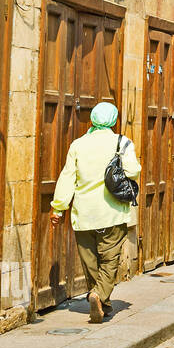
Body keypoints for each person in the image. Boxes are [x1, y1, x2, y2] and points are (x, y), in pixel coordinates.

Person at [48, 102, 140, 324]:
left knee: (89, 261)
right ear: (114, 120)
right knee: (109, 260)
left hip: (84, 213)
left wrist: (58, 208)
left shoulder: (78, 145)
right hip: (112, 213)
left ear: (92, 119)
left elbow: (67, 177)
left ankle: (101, 302)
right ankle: (98, 295)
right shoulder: (122, 142)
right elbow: (133, 170)